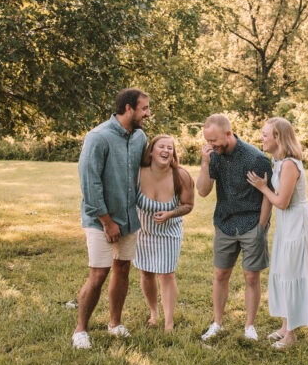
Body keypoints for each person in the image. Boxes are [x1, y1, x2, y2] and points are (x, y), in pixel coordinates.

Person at [72, 88, 150, 349]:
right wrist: (107, 222)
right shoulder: (98, 137)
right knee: (99, 273)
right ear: (128, 108)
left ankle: (115, 324)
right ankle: (81, 330)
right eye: (144, 109)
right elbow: (90, 183)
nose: (148, 114)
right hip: (100, 218)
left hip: (129, 218)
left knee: (123, 269)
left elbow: (148, 171)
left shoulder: (139, 138)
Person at [196, 114, 273, 341]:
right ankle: (217, 323)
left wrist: (261, 226)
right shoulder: (214, 156)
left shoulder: (256, 158)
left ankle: (249, 326)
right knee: (221, 273)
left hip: (252, 224)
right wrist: (205, 162)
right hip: (225, 223)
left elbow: (268, 194)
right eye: (207, 141)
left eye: (214, 141)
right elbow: (202, 191)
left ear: (228, 134)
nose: (210, 145)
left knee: (251, 277)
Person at [246, 117, 308, 349]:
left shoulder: (289, 164)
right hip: (287, 225)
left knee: (293, 274)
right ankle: (285, 326)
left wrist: (262, 187)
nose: (262, 138)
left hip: (297, 223)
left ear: (278, 137)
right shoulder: (279, 162)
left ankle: (292, 334)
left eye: (266, 134)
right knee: (284, 272)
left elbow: (282, 202)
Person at [134, 134, 194, 332]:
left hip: (169, 232)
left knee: (166, 274)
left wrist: (170, 213)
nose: (166, 151)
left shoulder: (181, 175)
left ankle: (169, 323)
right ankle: (153, 312)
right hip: (143, 232)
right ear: (151, 151)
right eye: (162, 147)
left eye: (170, 148)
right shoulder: (137, 173)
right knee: (146, 272)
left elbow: (188, 205)